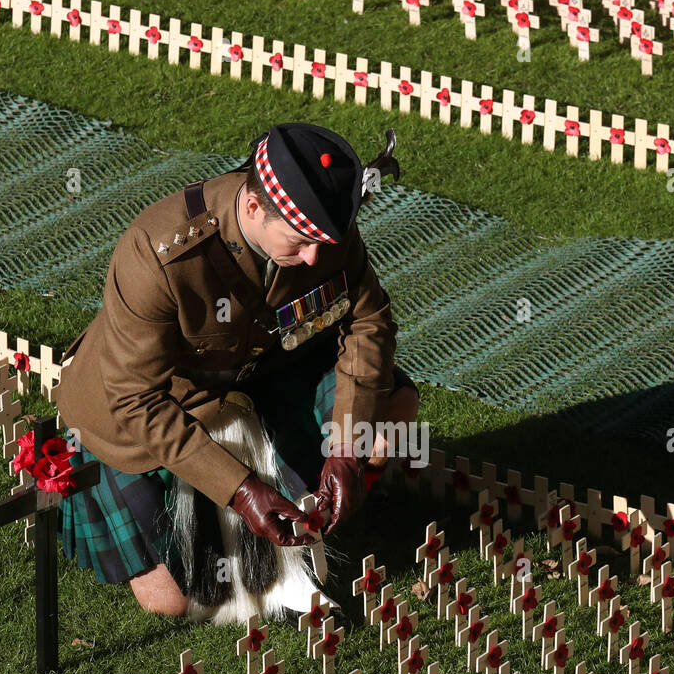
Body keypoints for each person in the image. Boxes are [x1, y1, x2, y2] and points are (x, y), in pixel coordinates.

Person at [54, 123, 420, 618]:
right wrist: (241, 489)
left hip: (260, 372)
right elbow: (134, 398)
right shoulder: (156, 254)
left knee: (389, 421)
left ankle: (317, 496)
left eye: (321, 241)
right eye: (301, 243)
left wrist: (346, 448)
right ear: (253, 208)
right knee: (170, 602)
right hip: (144, 407)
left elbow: (368, 321)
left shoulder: (321, 225)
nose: (315, 256)